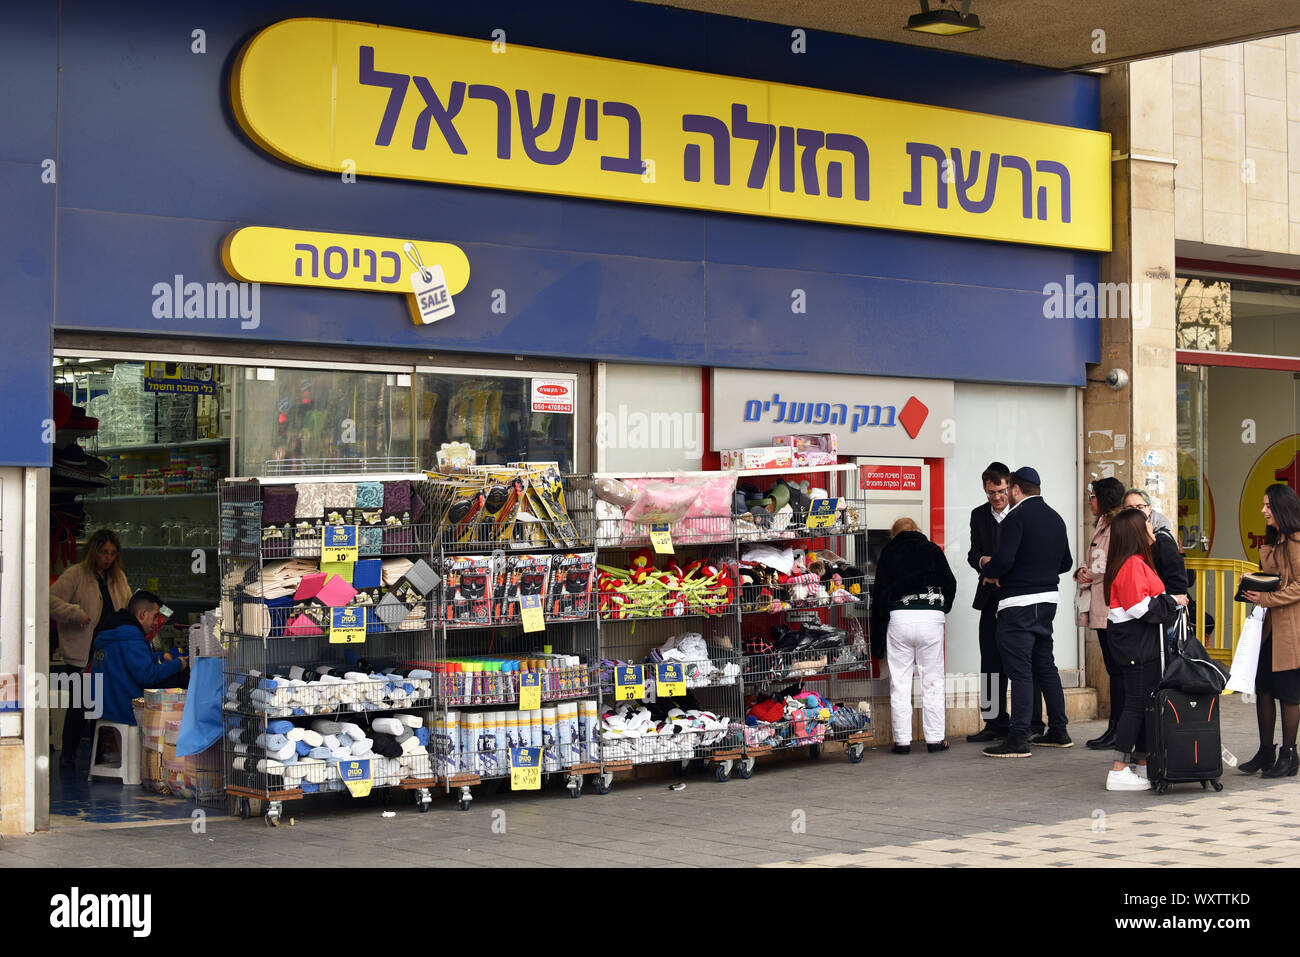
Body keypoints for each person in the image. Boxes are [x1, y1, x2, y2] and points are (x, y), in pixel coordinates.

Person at [979, 466, 1074, 757]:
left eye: (1008, 490)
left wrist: (989, 570)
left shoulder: (1015, 517)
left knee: (1019, 670)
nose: (1005, 495)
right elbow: (1066, 563)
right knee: (1045, 665)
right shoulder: (1056, 518)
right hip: (1047, 601)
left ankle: (1018, 738)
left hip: (1018, 603)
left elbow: (1004, 560)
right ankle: (1059, 729)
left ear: (1017, 489)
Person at [1099, 507, 1185, 791]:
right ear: (1136, 532)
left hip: (1140, 645)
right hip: (1136, 645)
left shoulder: (1134, 562)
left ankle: (1144, 764)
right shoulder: (1132, 565)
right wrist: (1173, 602)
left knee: (1143, 703)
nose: (1152, 528)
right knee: (1135, 705)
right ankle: (1119, 769)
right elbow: (1139, 608)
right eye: (1147, 524)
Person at [967, 462, 1047, 741]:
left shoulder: (1023, 512)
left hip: (1019, 597)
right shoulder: (978, 515)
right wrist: (982, 562)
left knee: (1026, 662)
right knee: (990, 662)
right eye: (990, 493)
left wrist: (1000, 569)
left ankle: (1034, 722)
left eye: (1000, 491)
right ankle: (993, 722)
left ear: (1010, 487)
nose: (997, 498)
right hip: (990, 598)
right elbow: (972, 553)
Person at [871, 518, 956, 754]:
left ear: (894, 535)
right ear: (918, 530)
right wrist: (942, 607)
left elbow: (879, 596)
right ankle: (935, 740)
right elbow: (950, 583)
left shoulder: (889, 552)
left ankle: (902, 742)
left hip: (899, 619)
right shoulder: (932, 549)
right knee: (933, 680)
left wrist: (877, 644)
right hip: (931, 619)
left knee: (899, 682)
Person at [48, 528, 132, 767]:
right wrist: (75, 613)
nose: (108, 557)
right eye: (104, 552)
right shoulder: (76, 574)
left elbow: (126, 605)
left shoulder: (118, 578)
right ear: (93, 551)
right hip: (82, 652)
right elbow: (49, 600)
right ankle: (68, 754)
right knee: (80, 704)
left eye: (112, 553)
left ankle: (101, 754)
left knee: (104, 702)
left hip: (109, 651)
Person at [1239, 483, 1300, 778]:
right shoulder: (1278, 539)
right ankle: (1266, 751)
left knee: (1288, 692)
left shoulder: (1295, 541)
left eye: (1268, 506)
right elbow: (1277, 577)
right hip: (1271, 627)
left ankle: (1289, 755)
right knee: (1263, 687)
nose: (1263, 510)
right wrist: (1254, 579)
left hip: (1290, 627)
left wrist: (1267, 598)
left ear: (1282, 508)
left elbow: (1299, 584)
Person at [1073, 477, 1126, 751]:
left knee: (1117, 670)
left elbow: (1110, 565)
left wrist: (1087, 575)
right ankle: (1114, 727)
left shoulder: (1119, 525)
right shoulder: (1102, 523)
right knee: (1112, 669)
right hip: (1099, 601)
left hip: (1112, 605)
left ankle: (1119, 728)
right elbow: (1093, 558)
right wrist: (1081, 570)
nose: (1090, 501)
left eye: (1093, 496)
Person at [90, 590, 188, 730]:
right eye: (155, 617)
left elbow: (126, 661)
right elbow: (147, 675)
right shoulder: (132, 638)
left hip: (105, 709)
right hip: (126, 711)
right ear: (143, 614)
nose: (156, 623)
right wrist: (177, 664)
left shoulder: (113, 634)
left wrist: (161, 657)